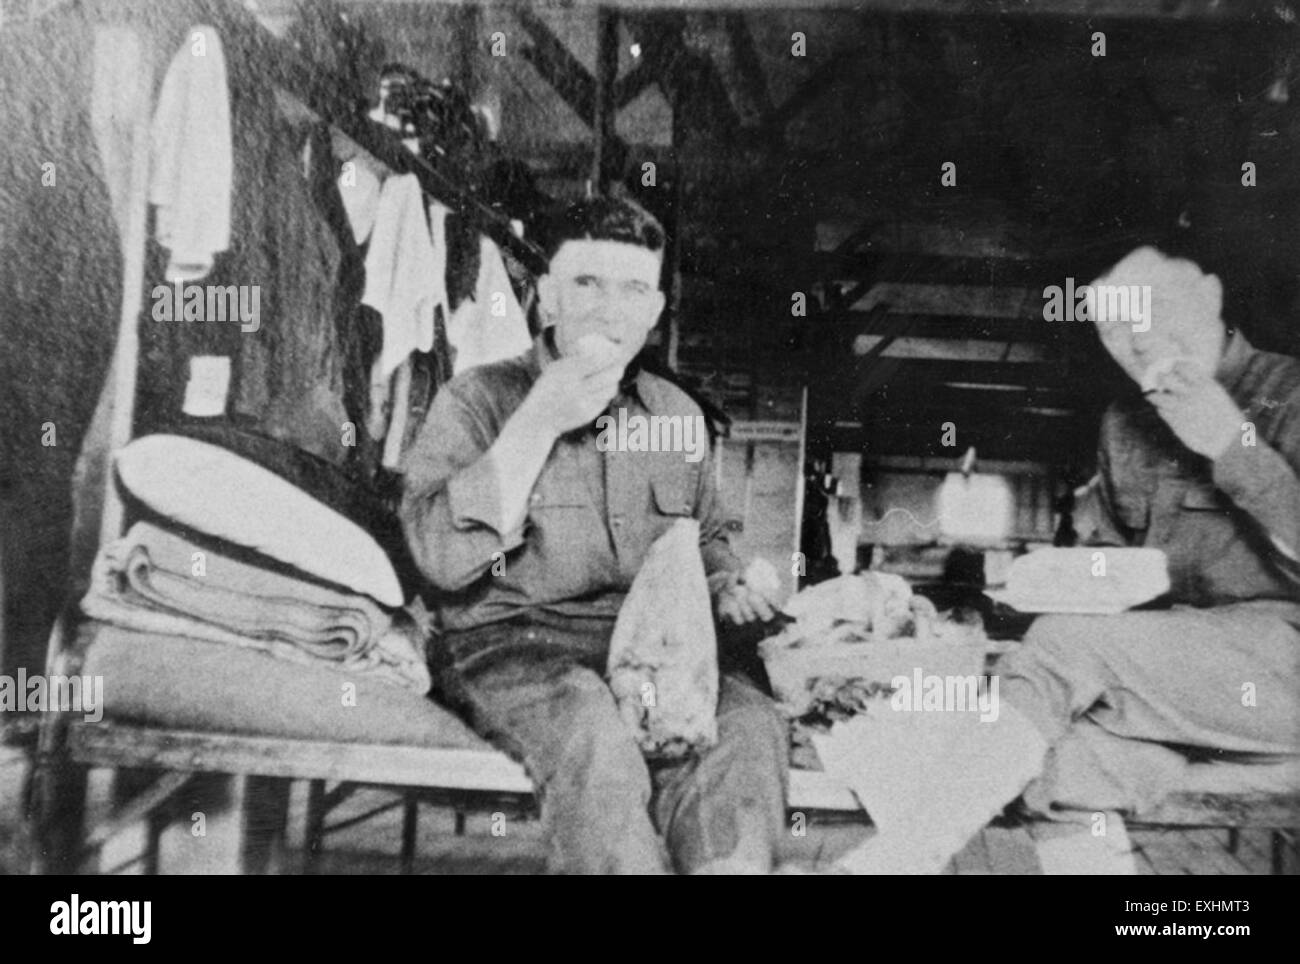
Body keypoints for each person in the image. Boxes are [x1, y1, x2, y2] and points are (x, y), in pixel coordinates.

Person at [830, 246, 1300, 874]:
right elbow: (1114, 574)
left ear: (1210, 296)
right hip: (1176, 683)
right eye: (1109, 324)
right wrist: (1064, 577)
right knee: (1053, 769)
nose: (1133, 339)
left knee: (1064, 646)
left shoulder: (1291, 393)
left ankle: (897, 861)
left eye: (1149, 309)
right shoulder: (1125, 424)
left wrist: (1228, 443)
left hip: (1279, 672)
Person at [399, 195, 788, 874]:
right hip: (515, 647)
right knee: (591, 727)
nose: (611, 310)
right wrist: (536, 423)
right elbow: (438, 558)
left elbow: (707, 539)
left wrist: (727, 585)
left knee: (749, 731)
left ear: (654, 312)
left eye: (633, 290)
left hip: (656, 651)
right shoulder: (478, 399)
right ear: (547, 295)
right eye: (587, 284)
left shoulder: (679, 415)